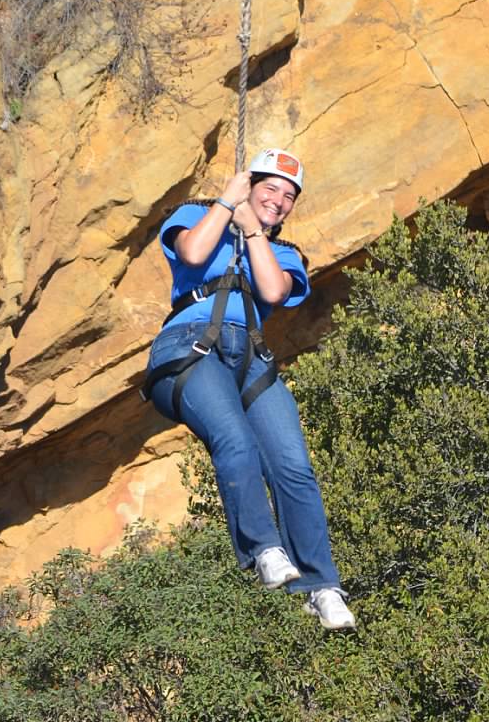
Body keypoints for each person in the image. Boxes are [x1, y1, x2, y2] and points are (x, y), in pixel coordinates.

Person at [142, 148, 354, 630]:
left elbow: (274, 292)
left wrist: (254, 228)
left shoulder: (283, 253)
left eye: (289, 196)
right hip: (190, 347)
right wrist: (226, 204)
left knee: (293, 465)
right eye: (270, 188)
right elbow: (194, 253)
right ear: (251, 184)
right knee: (235, 441)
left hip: (250, 359)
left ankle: (321, 585)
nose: (279, 201)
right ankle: (264, 548)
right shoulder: (195, 216)